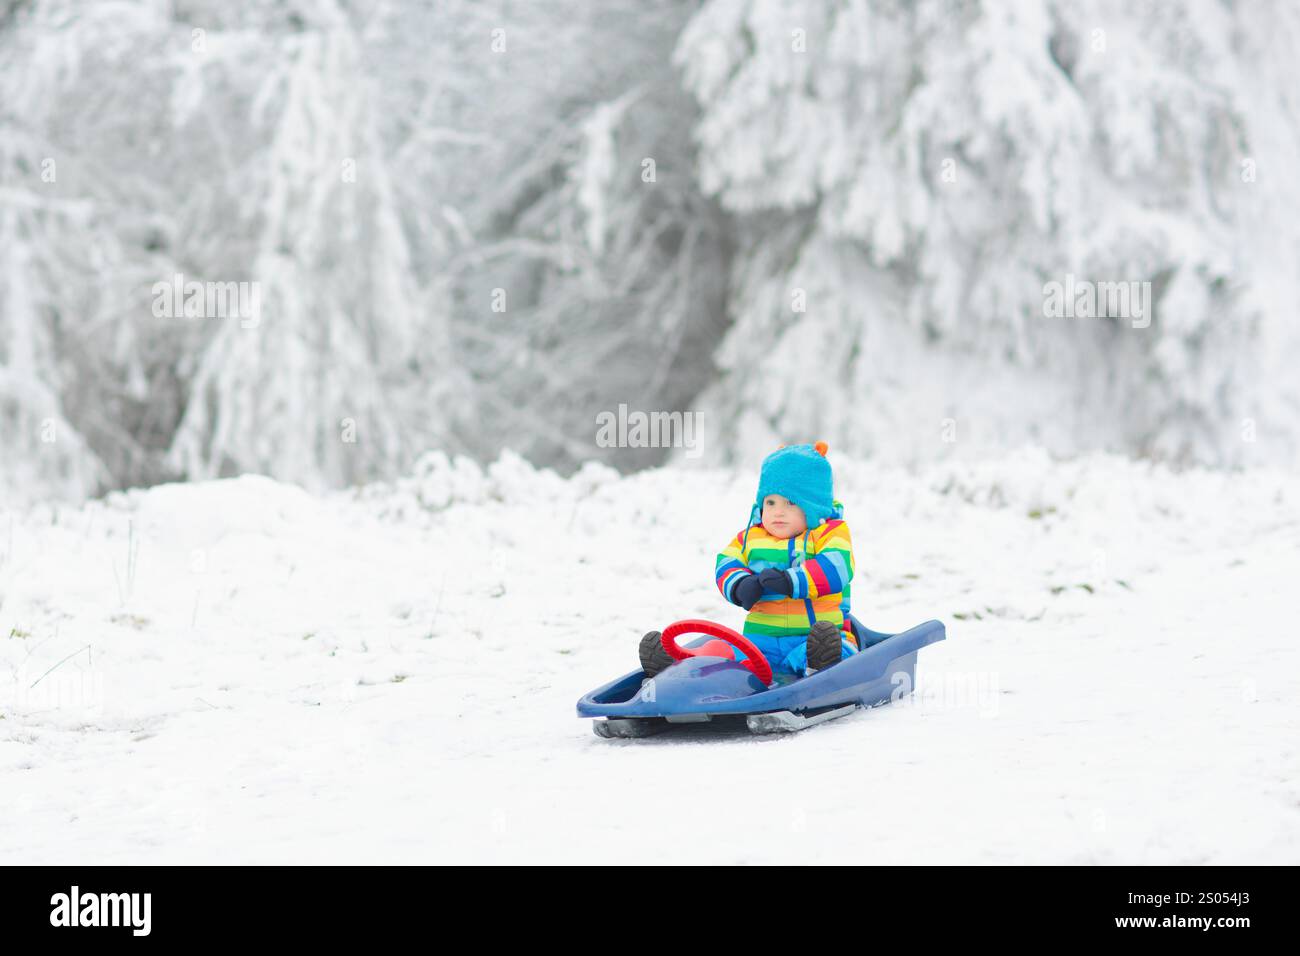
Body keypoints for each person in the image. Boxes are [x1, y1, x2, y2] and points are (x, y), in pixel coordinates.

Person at [639, 441, 858, 679]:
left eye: (791, 502)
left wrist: (790, 581)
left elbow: (837, 566)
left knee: (835, 649)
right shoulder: (751, 537)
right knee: (727, 652)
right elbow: (726, 562)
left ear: (814, 506)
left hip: (811, 637)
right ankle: (682, 665)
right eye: (770, 502)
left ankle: (821, 667)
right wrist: (740, 583)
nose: (778, 511)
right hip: (760, 643)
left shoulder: (828, 534)